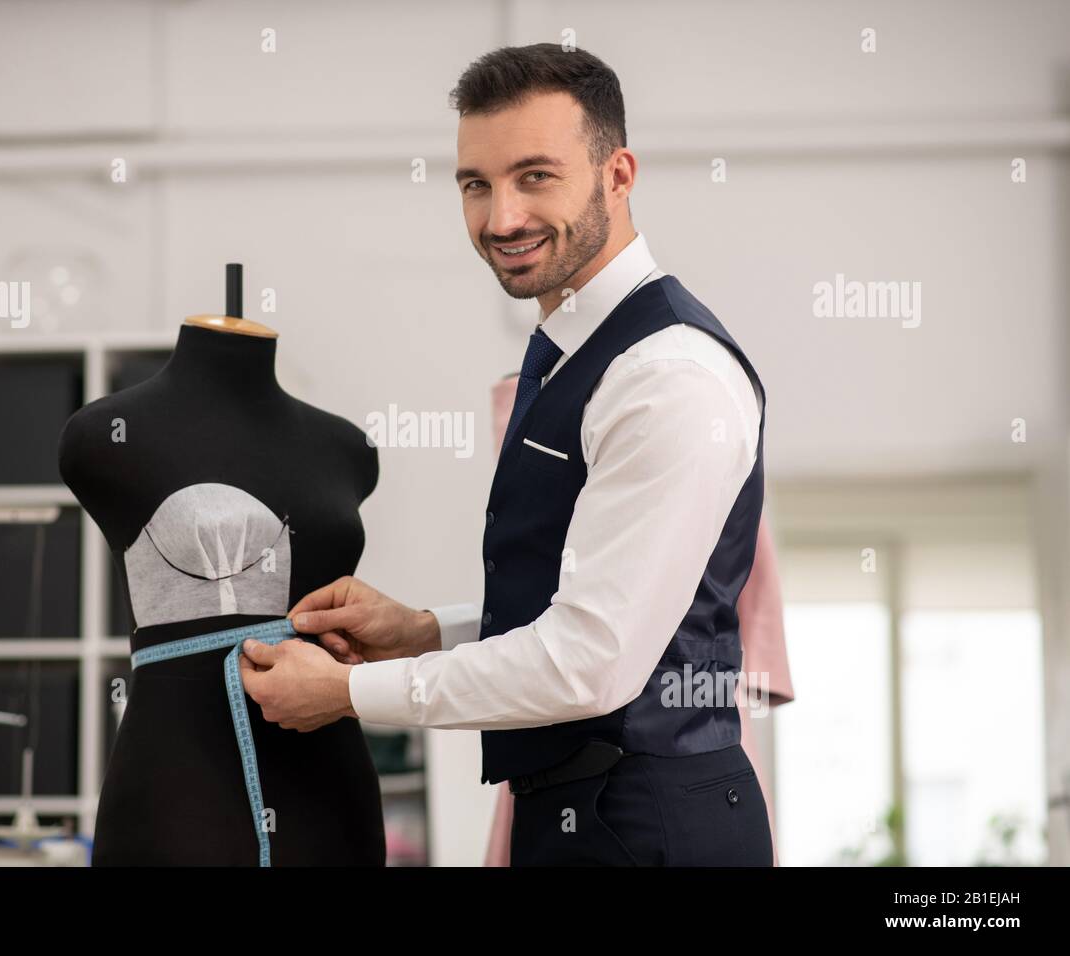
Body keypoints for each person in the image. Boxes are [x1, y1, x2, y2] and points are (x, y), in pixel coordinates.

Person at [240, 42, 773, 866]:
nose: (500, 219)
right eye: (474, 184)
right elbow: (583, 601)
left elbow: (587, 661)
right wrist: (424, 631)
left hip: (649, 824)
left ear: (618, 174)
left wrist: (349, 692)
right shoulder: (573, 348)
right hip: (583, 812)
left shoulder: (667, 377)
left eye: (535, 176)